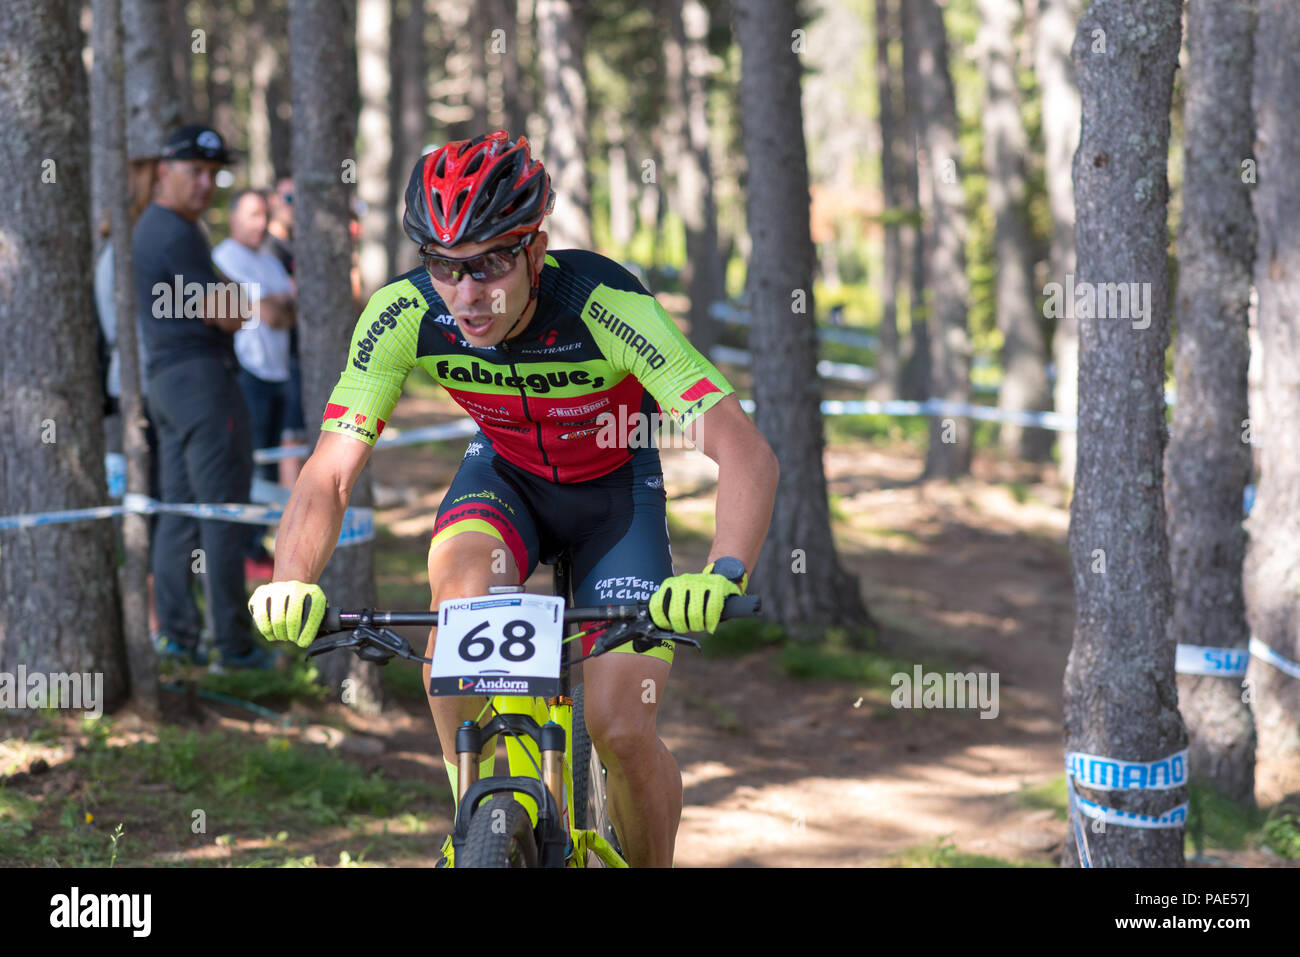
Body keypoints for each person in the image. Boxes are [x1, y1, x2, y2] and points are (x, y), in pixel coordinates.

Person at [249, 131, 778, 866]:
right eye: (444, 266)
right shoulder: (404, 313)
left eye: (491, 263)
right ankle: (480, 822)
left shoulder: (605, 303)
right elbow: (329, 472)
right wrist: (290, 580)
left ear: (536, 249)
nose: (466, 295)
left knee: (622, 725)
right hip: (505, 479)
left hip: (614, 495)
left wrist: (722, 571)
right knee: (455, 625)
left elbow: (745, 451)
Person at [135, 123, 274, 670]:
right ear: (164, 170)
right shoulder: (175, 233)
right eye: (194, 171)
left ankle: (178, 636)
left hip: (167, 383)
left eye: (214, 173)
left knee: (179, 510)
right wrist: (237, 300)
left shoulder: (159, 228)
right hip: (200, 383)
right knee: (222, 512)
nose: (206, 184)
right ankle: (233, 646)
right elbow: (232, 311)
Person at [96, 157, 164, 640]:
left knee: (153, 509)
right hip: (137, 387)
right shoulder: (125, 253)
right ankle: (149, 625)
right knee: (145, 511)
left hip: (140, 383)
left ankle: (155, 622)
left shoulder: (128, 249)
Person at [213, 188, 297, 578]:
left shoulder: (269, 257)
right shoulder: (225, 258)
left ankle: (258, 544)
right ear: (233, 217)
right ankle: (243, 547)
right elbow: (272, 313)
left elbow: (289, 311)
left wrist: (276, 305)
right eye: (251, 215)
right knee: (248, 460)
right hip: (248, 372)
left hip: (278, 371)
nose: (260, 223)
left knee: (267, 465)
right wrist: (276, 305)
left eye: (263, 214)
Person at [262, 176, 307, 488]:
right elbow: (271, 309)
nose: (294, 207)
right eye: (288, 199)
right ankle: (288, 513)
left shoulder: (297, 247)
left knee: (301, 433)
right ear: (273, 201)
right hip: (278, 358)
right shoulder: (268, 250)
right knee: (288, 437)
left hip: (300, 354)